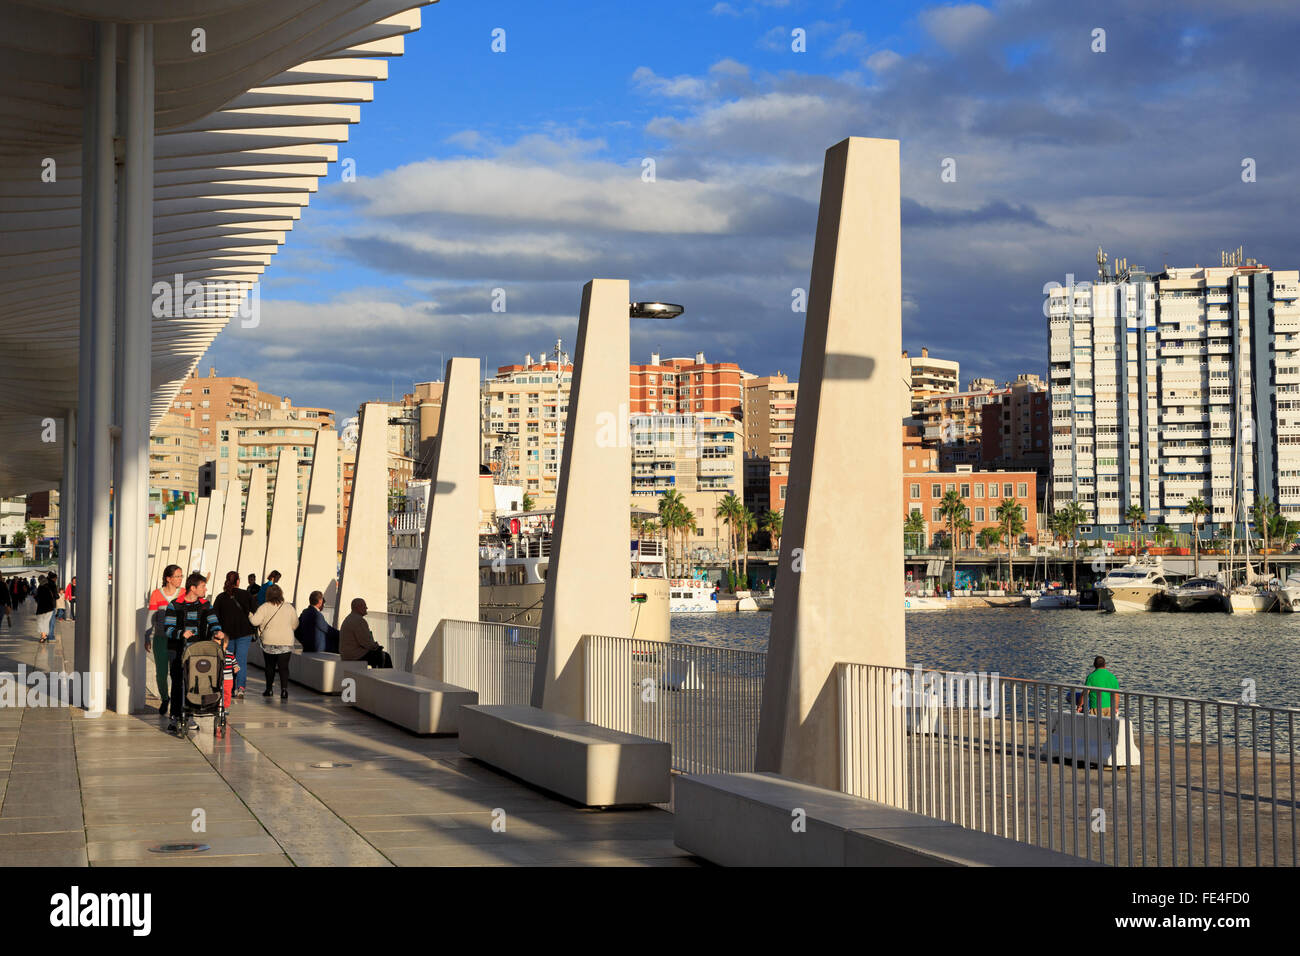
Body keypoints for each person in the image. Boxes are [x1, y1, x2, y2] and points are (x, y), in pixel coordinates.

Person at [162, 571, 226, 735]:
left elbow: (214, 623)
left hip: (200, 651)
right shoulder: (174, 605)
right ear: (193, 588)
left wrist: (218, 632)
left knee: (196, 682)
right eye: (203, 586)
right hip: (177, 651)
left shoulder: (206, 605)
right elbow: (167, 629)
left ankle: (189, 715)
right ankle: (176, 716)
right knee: (178, 683)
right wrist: (180, 633)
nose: (205, 589)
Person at [146, 565, 185, 714]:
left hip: (177, 639)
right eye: (177, 576)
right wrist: (146, 636)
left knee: (177, 673)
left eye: (181, 576)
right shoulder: (156, 594)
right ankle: (164, 698)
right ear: (168, 579)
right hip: (161, 639)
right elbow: (151, 618)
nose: (180, 579)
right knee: (161, 673)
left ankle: (177, 704)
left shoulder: (184, 593)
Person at [248, 584, 298, 698]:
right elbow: (295, 624)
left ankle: (269, 690)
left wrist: (250, 615)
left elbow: (255, 622)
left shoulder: (264, 607)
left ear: (268, 594)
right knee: (284, 667)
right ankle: (284, 691)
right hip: (286, 642)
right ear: (281, 594)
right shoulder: (289, 607)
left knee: (269, 667)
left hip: (269, 641)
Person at [213, 571, 255, 700]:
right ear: (238, 581)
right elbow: (255, 611)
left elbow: (215, 616)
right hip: (244, 633)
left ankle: (229, 688)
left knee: (228, 661)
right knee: (241, 660)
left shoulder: (220, 597)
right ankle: (241, 688)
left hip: (227, 635)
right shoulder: (246, 595)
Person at [339, 598, 392, 668]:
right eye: (364, 606)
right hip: (354, 656)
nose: (366, 608)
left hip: (346, 655)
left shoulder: (349, 618)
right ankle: (384, 677)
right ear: (358, 608)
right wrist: (376, 646)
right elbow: (366, 642)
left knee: (376, 654)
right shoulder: (359, 620)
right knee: (385, 656)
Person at [34, 572, 58, 643]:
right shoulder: (52, 585)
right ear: (53, 578)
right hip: (50, 606)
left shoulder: (39, 587)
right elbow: (56, 596)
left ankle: (43, 636)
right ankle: (50, 636)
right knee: (50, 622)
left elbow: (37, 598)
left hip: (41, 608)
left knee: (41, 622)